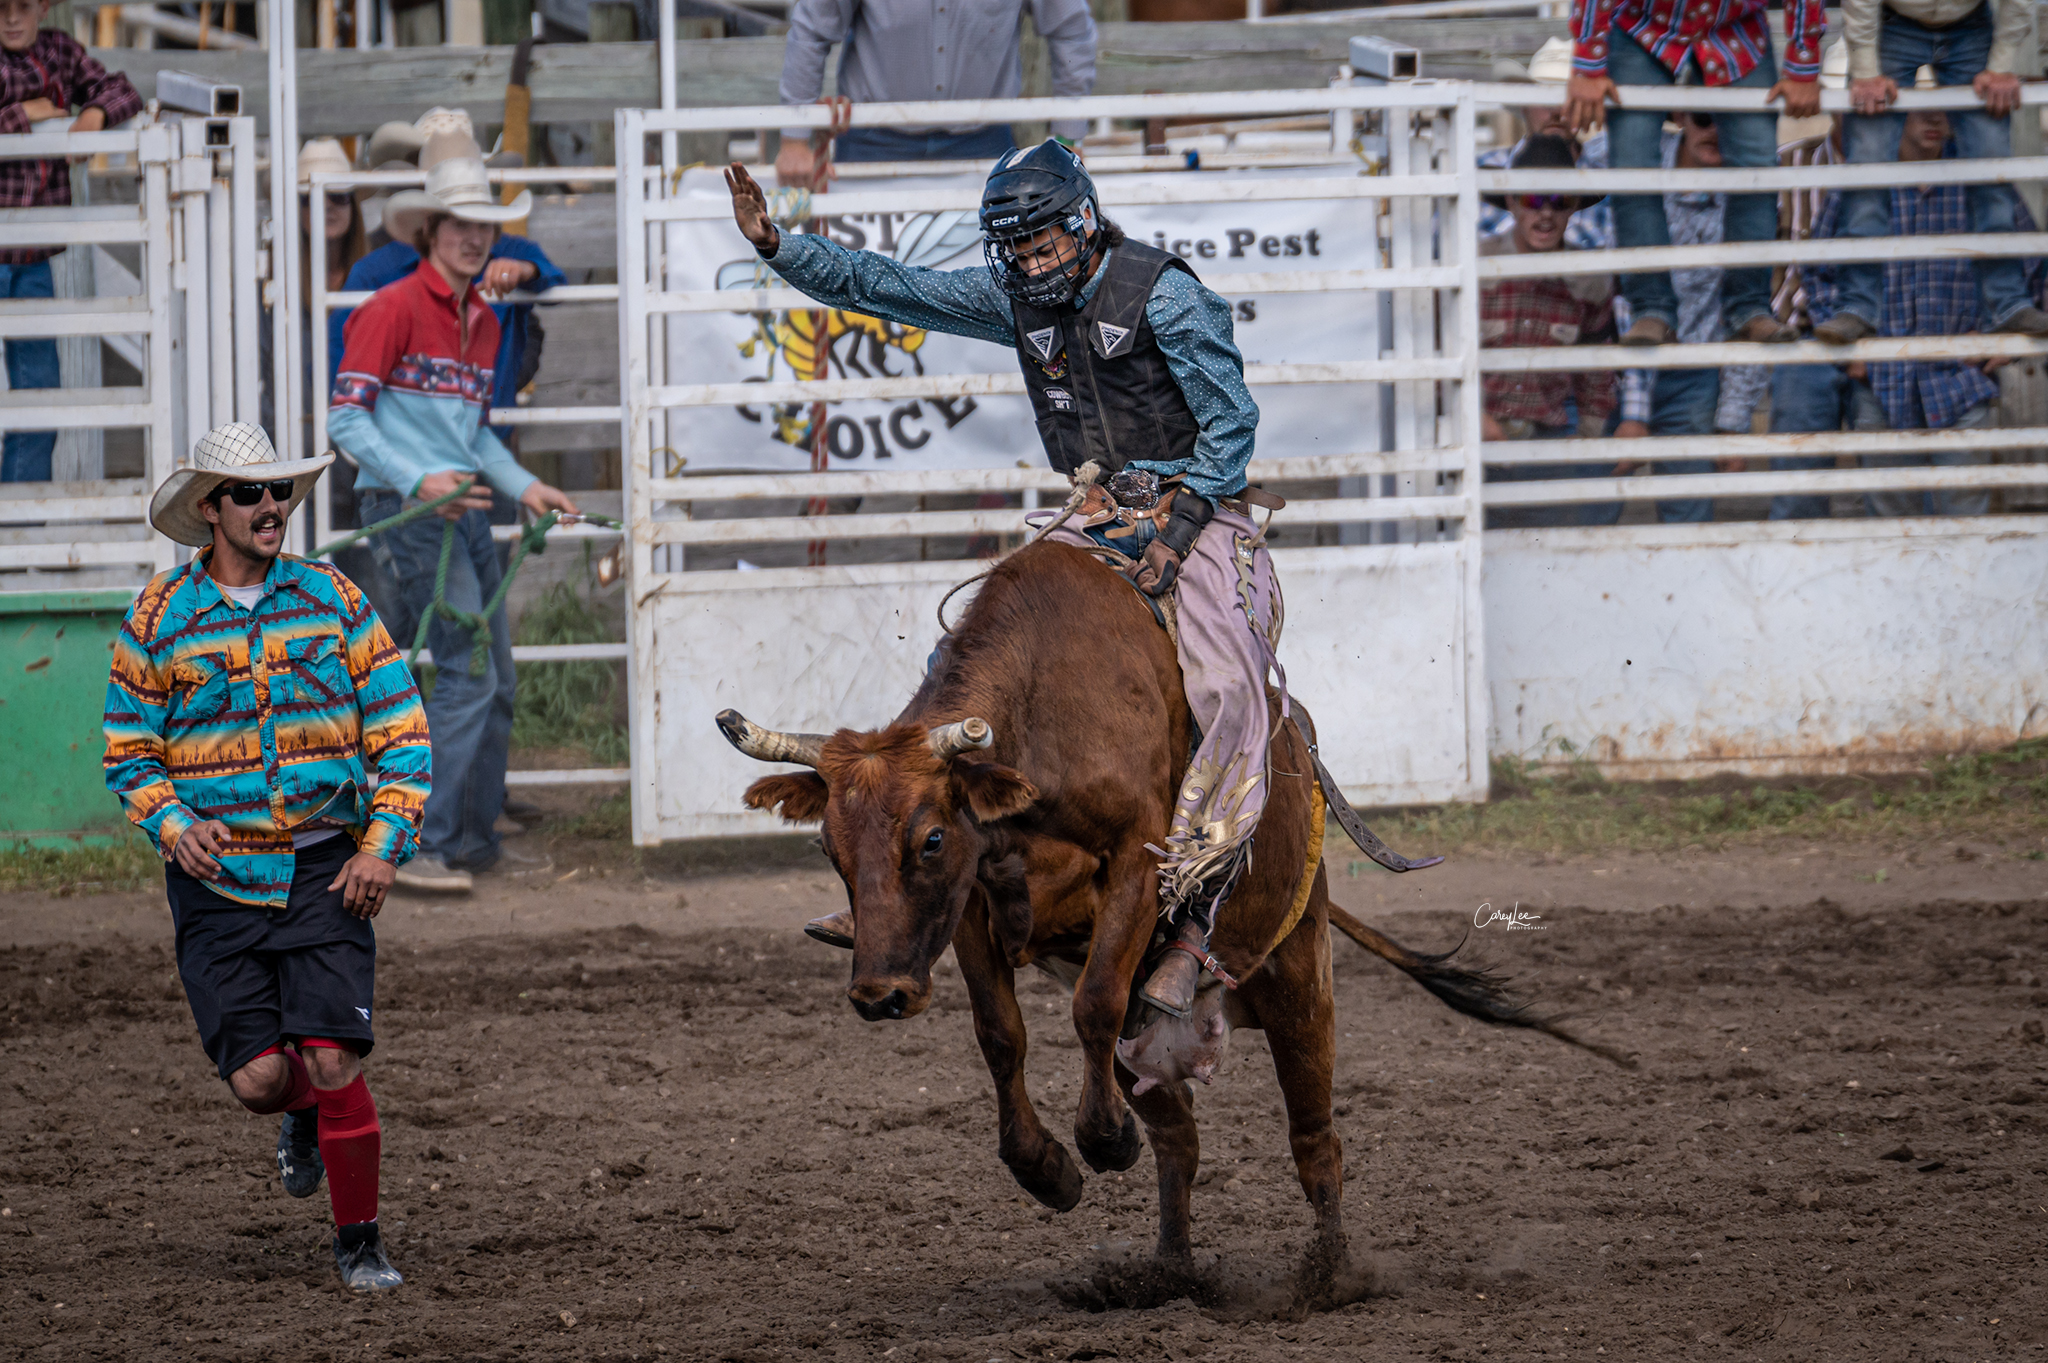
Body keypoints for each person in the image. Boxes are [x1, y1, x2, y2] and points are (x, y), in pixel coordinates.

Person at [726, 141, 1278, 1019]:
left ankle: (1196, 918)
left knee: (1230, 687)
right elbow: (890, 286)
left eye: (1042, 242)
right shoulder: (1020, 302)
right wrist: (779, 247)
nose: (1029, 261)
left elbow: (1232, 424)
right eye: (1014, 248)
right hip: (1092, 516)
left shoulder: (1165, 296)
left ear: (1084, 222)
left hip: (1199, 515)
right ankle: (897, 883)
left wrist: (1175, 528)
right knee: (961, 659)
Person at [103, 421, 431, 1292]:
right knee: (257, 1078)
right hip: (215, 882)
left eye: (279, 490)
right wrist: (172, 821)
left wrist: (383, 845)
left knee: (333, 1057)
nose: (271, 505)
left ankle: (360, 1241)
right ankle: (302, 1117)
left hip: (328, 866)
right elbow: (128, 748)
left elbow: (402, 728)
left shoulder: (334, 598)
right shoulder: (158, 616)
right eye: (250, 492)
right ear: (210, 509)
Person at [329, 129, 581, 892]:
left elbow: (472, 437)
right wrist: (422, 481)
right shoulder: (392, 307)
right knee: (468, 672)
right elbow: (346, 419)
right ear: (430, 233)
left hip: (460, 510)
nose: (474, 238)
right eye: (459, 225)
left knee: (490, 675)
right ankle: (421, 844)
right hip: (408, 512)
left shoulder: (487, 320)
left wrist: (525, 485)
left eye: (484, 227)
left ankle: (468, 839)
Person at [1787, 103, 2046, 516]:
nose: (1935, 119)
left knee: (1964, 518)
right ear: (1895, 115)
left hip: (1961, 379)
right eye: (1920, 110)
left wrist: (2006, 344)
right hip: (1880, 377)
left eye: (1945, 109)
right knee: (1890, 519)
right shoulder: (1860, 186)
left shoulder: (1982, 184)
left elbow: (2032, 268)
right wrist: (1852, 356)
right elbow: (1818, 272)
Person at [1565, 0, 1823, 346]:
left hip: (1734, 28)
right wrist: (1587, 64)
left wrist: (1802, 65)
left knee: (1758, 169)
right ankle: (1651, 308)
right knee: (1632, 168)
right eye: (1701, 120)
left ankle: (1748, 307)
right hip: (1643, 22)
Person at [1826, 0, 2048, 342]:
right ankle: (1857, 307)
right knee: (1867, 168)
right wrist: (1866, 70)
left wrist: (2002, 64)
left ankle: (2007, 303)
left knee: (1992, 166)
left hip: (1970, 23)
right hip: (1893, 21)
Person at [0, 0, 142, 482]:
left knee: (40, 397)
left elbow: (120, 88)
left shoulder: (59, 50)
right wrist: (25, 113)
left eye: (23, 5)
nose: (12, 18)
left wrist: (96, 114)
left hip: (31, 258)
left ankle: (17, 533)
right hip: (19, 252)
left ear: (43, 8)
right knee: (34, 393)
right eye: (1, 7)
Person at [1609, 112, 1768, 522]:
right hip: (1608, 373)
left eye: (1727, 121)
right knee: (1589, 507)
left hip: (1692, 373)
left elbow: (1751, 309)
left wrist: (1732, 421)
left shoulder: (1750, 196)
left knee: (1688, 520)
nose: (1716, 130)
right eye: (1703, 119)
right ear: (1680, 117)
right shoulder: (1625, 159)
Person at [775, 0, 1097, 187]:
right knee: (861, 284)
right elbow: (811, 31)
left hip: (984, 142)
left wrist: (1068, 139)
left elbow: (1072, 30)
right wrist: (794, 139)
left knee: (990, 283)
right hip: (872, 143)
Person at [1478, 136, 1622, 529]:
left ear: (1573, 208)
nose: (1546, 215)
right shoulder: (1477, 266)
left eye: (1559, 202)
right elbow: (1440, 353)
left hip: (1544, 447)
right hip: (1475, 444)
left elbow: (1597, 370)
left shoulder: (1588, 281)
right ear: (1511, 203)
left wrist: (1588, 439)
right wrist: (1471, 415)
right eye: (1533, 201)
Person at [1481, 36, 1612, 248]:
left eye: (1567, 101)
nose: (1556, 112)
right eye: (1545, 99)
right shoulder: (1480, 169)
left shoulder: (1612, 182)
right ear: (1524, 104)